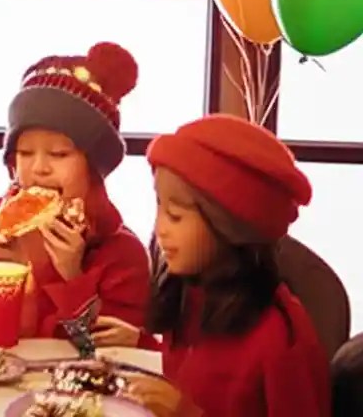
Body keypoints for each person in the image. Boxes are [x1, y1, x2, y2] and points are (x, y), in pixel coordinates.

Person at [91, 114, 329, 417]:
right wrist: (144, 342)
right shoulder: (193, 292)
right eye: (159, 207)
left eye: (175, 216)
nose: (160, 228)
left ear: (228, 227)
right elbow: (197, 371)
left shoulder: (280, 341)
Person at [0, 42, 151, 339]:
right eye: (25, 153)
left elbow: (105, 352)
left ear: (92, 169)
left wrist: (71, 276)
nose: (39, 168)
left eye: (59, 154)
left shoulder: (122, 253)